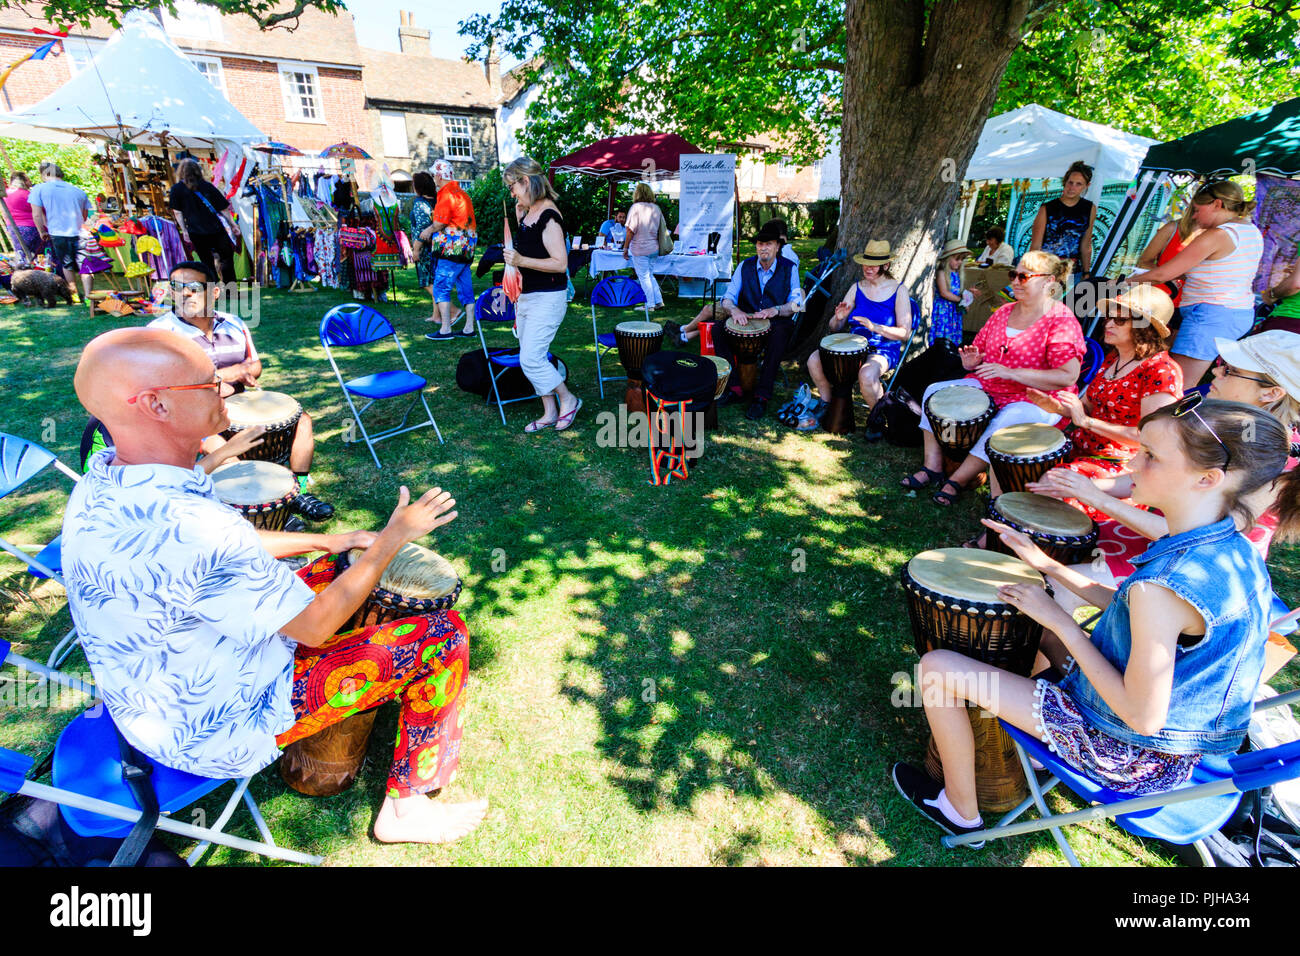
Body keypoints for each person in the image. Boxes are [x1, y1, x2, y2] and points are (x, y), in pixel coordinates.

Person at [63, 328, 488, 844]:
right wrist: (392, 537)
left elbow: (214, 552)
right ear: (155, 405)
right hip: (209, 728)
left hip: (151, 702)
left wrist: (331, 541)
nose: (224, 389)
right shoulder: (195, 527)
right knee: (442, 637)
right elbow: (312, 626)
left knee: (337, 570)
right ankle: (407, 808)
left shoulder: (104, 480)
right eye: (207, 385)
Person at [893, 396, 1293, 847]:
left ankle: (960, 810)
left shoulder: (1164, 586)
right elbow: (1128, 610)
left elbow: (1142, 717)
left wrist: (1061, 621)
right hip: (1183, 748)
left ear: (1208, 478)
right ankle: (1030, 750)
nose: (1134, 463)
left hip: (1127, 757)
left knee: (937, 669)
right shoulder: (1229, 545)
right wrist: (1050, 566)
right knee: (1035, 625)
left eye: (1151, 456)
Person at [1029, 329, 1300, 614]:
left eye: (1230, 370)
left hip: (1198, 568)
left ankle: (1063, 655)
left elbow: (1199, 537)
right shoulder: (1215, 422)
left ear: (1272, 392)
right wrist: (1085, 484)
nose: (1216, 371)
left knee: (1056, 587)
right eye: (1222, 364)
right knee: (1053, 540)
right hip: (1156, 539)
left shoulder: (1275, 460)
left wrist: (1097, 498)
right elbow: (1146, 474)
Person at [148, 260, 334, 522]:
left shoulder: (233, 323)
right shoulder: (160, 333)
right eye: (176, 286)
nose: (184, 293)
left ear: (214, 292)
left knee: (302, 421)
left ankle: (298, 492)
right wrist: (226, 375)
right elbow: (166, 384)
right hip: (191, 415)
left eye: (192, 286)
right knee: (224, 451)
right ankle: (269, 505)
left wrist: (242, 373)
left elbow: (254, 364)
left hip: (235, 405)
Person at [901, 250, 1085, 506]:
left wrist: (1011, 373)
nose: (1015, 281)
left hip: (1039, 399)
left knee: (1008, 418)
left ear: (1049, 282)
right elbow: (982, 354)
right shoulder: (1004, 312)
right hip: (993, 387)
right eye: (1013, 275)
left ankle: (958, 480)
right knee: (934, 390)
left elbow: (1067, 376)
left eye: (1024, 276)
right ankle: (932, 467)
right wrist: (972, 362)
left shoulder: (1061, 320)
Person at [1022, 285, 1182, 521]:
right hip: (1082, 448)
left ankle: (1024, 542)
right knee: (1020, 455)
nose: (1108, 324)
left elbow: (1148, 438)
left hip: (1120, 464)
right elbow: (1085, 407)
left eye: (1119, 320)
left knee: (1052, 482)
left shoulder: (1161, 371)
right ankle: (1005, 522)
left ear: (1143, 327)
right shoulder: (1114, 359)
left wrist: (1087, 422)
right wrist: (1055, 407)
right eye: (1110, 318)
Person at [1125, 180, 1263, 386]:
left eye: (1198, 210)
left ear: (1217, 204)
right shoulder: (1250, 230)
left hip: (1211, 313)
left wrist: (1126, 281)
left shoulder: (1218, 234)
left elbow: (1163, 274)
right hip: (1231, 311)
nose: (1195, 216)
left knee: (1176, 383)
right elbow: (1217, 273)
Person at [502, 156, 582, 432]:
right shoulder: (526, 212)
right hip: (527, 296)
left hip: (549, 297)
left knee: (531, 358)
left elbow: (560, 263)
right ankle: (549, 412)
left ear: (526, 181)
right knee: (531, 354)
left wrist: (520, 260)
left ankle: (567, 398)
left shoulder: (549, 215)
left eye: (513, 186)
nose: (511, 192)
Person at [801, 239, 912, 429]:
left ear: (885, 265)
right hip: (853, 347)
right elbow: (835, 328)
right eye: (865, 264)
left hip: (882, 349)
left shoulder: (899, 290)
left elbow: (904, 333)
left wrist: (875, 327)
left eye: (874, 265)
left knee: (867, 375)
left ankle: (877, 419)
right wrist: (839, 318)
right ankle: (827, 403)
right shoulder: (856, 287)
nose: (867, 268)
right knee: (814, 359)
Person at [707, 219, 804, 420]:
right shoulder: (745, 266)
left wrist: (776, 310)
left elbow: (796, 303)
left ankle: (762, 396)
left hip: (776, 321)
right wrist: (734, 311)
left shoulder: (789, 268)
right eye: (760, 244)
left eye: (768, 244)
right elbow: (727, 298)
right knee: (717, 329)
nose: (763, 248)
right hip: (747, 318)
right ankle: (733, 387)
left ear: (778, 246)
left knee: (779, 333)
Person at [420, 159, 478, 342]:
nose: (433, 179)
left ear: (439, 175)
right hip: (467, 248)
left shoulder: (446, 194)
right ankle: (469, 328)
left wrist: (428, 231)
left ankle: (445, 329)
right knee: (465, 288)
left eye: (434, 175)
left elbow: (440, 222)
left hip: (451, 249)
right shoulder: (463, 194)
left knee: (441, 287)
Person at [169, 158, 240, 286]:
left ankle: (213, 290)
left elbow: (178, 212)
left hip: (195, 231)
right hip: (216, 229)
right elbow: (223, 208)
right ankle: (230, 290)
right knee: (226, 259)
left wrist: (184, 230)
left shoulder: (176, 189)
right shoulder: (207, 187)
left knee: (206, 262)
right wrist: (233, 225)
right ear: (198, 171)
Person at [29, 161, 90, 300]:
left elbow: (37, 214)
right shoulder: (78, 191)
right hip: (80, 231)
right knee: (85, 264)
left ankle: (74, 295)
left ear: (44, 175)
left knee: (67, 264)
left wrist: (42, 231)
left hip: (58, 232)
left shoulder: (39, 189)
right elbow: (84, 216)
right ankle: (88, 295)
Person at [1029, 160, 1096, 279]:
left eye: (1078, 184)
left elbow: (1086, 244)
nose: (1072, 188)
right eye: (1070, 182)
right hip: (1046, 271)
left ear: (1087, 186)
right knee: (1047, 297)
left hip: (1073, 272)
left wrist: (1086, 272)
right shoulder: (1047, 208)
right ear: (1064, 182)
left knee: (1068, 298)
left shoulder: (1089, 208)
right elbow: (1036, 245)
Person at [1135, 202, 1200, 314]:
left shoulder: (1217, 238)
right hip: (1156, 298)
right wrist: (1173, 275)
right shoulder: (1173, 228)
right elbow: (1143, 262)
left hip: (1188, 306)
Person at [622, 182, 665, 310]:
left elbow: (630, 231)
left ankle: (650, 305)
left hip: (640, 248)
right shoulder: (656, 208)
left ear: (637, 193)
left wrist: (625, 248)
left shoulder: (636, 208)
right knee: (650, 275)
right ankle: (659, 301)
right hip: (654, 247)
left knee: (644, 277)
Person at [930, 239, 971, 346]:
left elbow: (956, 292)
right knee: (942, 336)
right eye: (957, 259)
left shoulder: (956, 274)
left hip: (953, 311)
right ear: (948, 258)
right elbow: (944, 292)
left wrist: (967, 297)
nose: (960, 262)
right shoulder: (942, 272)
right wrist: (961, 301)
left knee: (952, 337)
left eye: (962, 259)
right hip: (943, 310)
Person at [4, 171, 40, 265]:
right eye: (28, 179)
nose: (30, 181)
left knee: (20, 252)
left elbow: (4, 213)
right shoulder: (28, 194)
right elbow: (41, 211)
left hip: (12, 226)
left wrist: (8, 226)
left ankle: (23, 273)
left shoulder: (5, 194)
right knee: (37, 253)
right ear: (23, 181)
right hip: (30, 226)